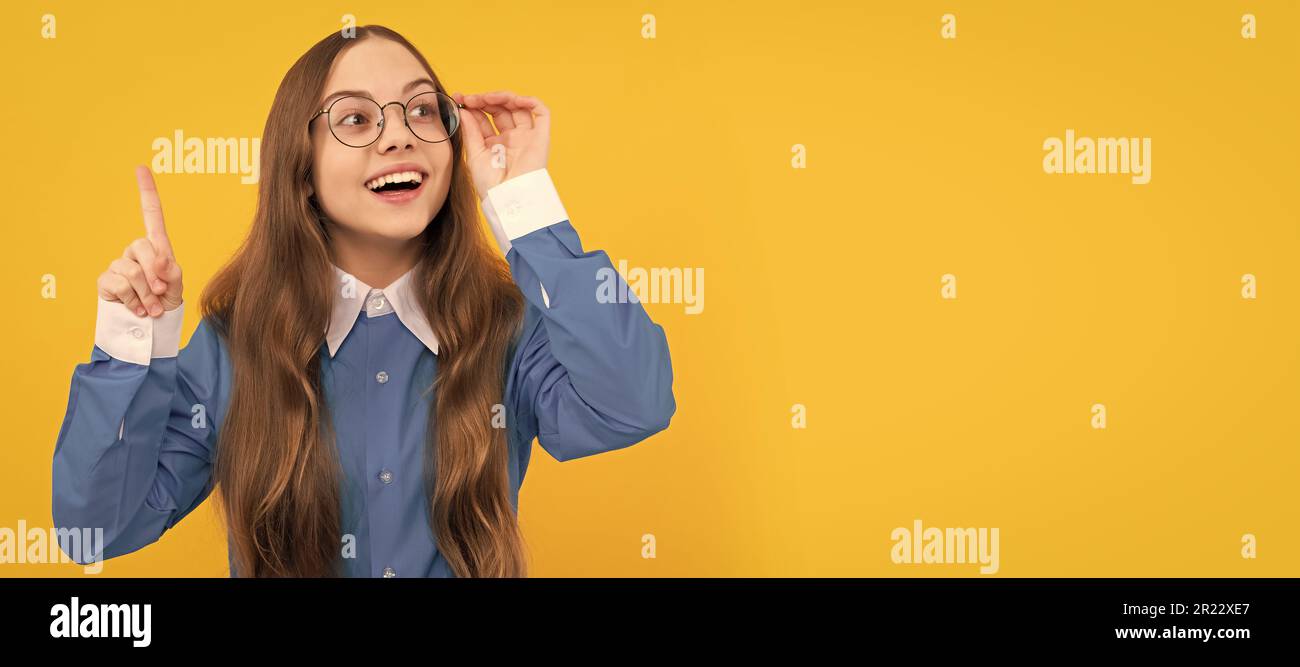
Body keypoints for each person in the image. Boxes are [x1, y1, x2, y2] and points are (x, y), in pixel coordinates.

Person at [51, 25, 675, 578]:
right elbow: (96, 531)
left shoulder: (506, 329)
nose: (399, 136)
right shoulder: (232, 348)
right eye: (354, 119)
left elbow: (633, 405)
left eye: (421, 110)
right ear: (302, 166)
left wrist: (526, 206)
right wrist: (134, 341)